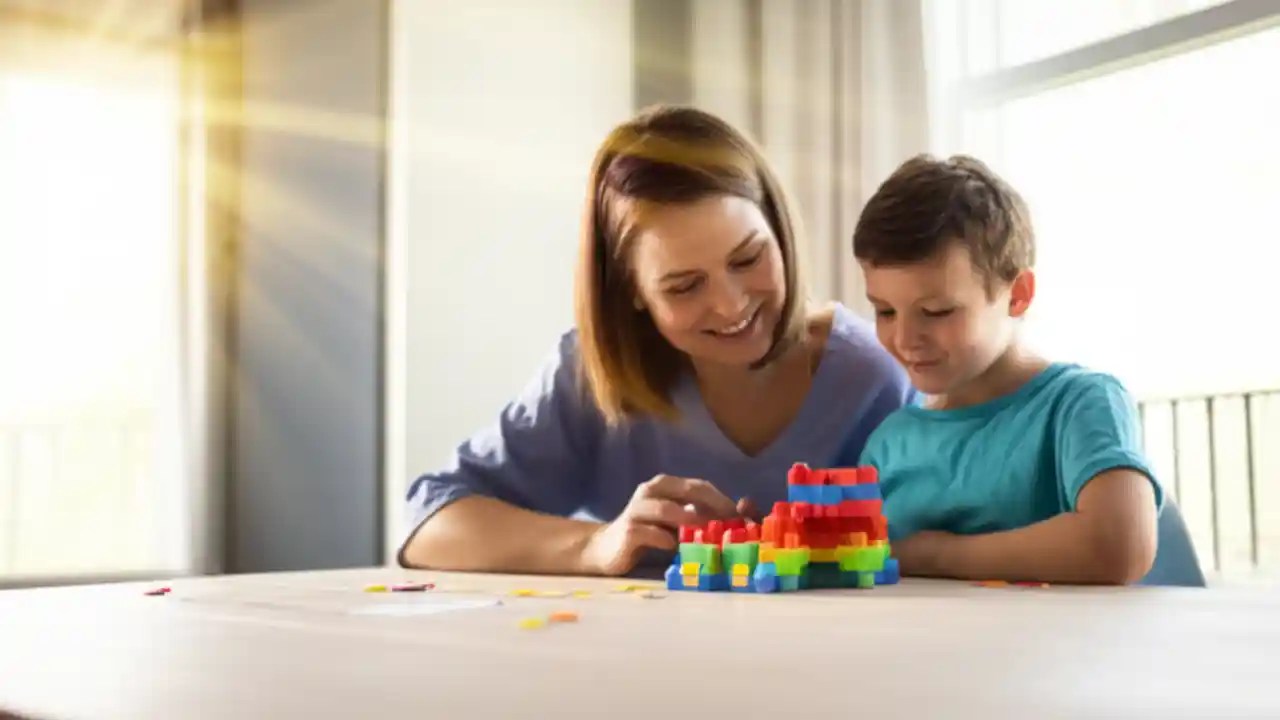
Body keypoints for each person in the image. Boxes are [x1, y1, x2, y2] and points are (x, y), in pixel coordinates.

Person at [398, 106, 914, 577]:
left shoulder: (873, 375)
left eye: (748, 258)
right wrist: (595, 545)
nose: (732, 305)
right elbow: (430, 522)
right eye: (685, 286)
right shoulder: (591, 375)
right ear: (633, 294)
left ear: (779, 232)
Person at [851, 153, 1161, 584]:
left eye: (936, 311)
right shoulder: (888, 444)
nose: (904, 339)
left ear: (1017, 295)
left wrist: (937, 556)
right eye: (884, 311)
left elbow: (1119, 545)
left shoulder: (1079, 404)